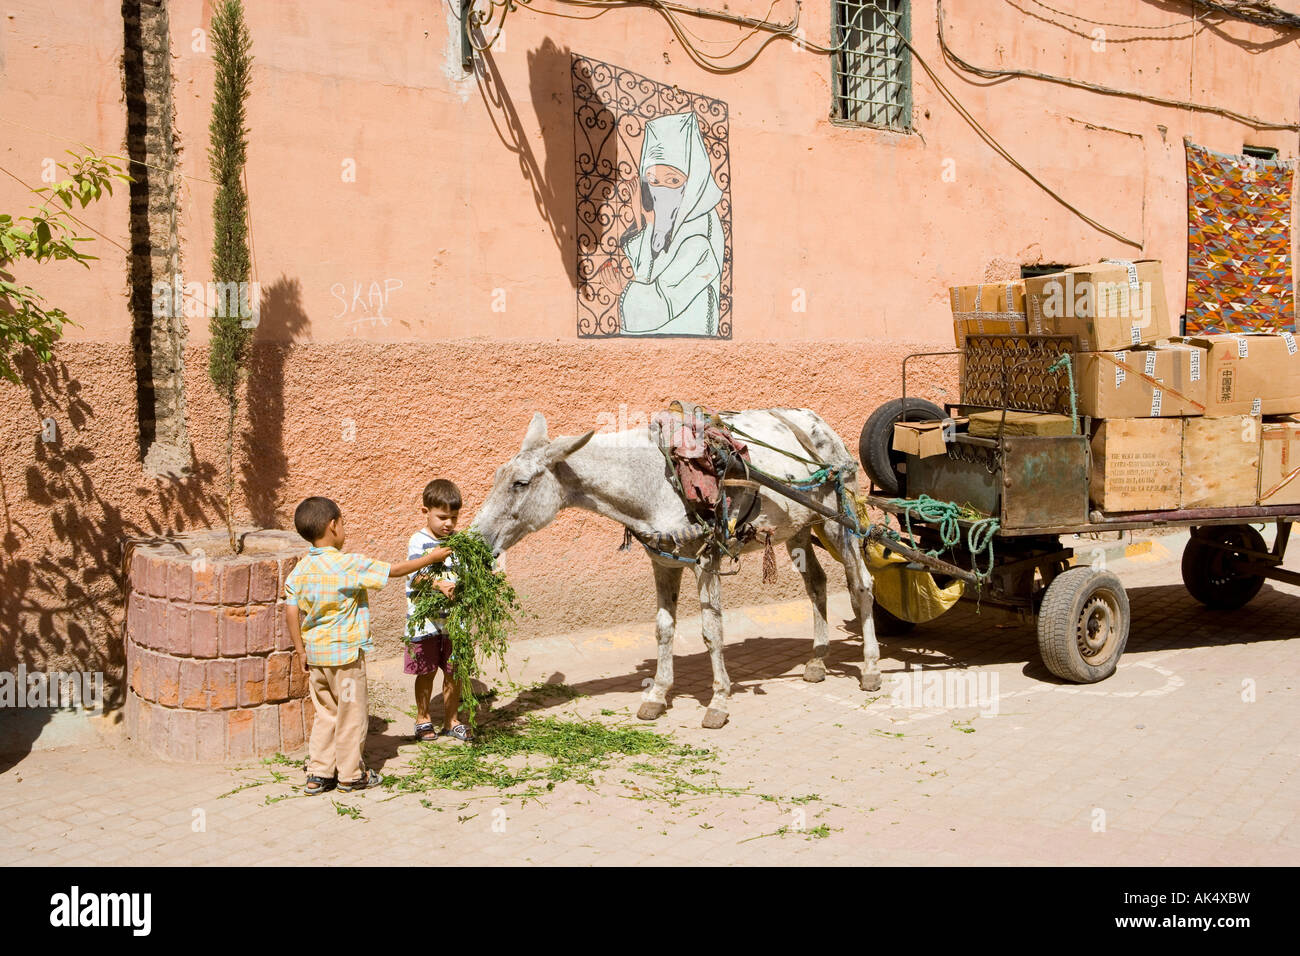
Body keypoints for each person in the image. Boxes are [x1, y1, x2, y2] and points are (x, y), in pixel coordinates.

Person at [284, 496, 449, 796]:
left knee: (326, 713)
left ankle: (319, 774)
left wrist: (299, 649)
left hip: (317, 658)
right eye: (343, 523)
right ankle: (350, 775)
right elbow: (395, 571)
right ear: (333, 526)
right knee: (351, 714)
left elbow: (292, 609)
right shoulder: (349, 564)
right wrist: (431, 559)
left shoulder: (300, 570)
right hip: (346, 658)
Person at [405, 479, 472, 743]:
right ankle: (423, 719)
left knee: (454, 671)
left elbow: (466, 575)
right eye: (442, 517)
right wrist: (437, 584)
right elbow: (414, 576)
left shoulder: (460, 542)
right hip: (426, 623)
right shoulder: (418, 541)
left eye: (454, 518)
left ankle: (451, 720)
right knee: (426, 671)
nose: (449, 524)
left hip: (454, 621)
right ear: (426, 512)